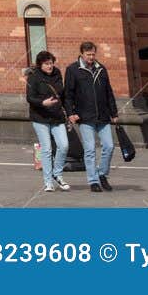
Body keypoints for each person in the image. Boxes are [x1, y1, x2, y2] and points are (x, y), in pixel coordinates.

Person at [63, 41, 120, 193]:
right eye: (88, 55)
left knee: (109, 146)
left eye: (93, 54)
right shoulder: (72, 70)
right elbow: (68, 95)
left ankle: (102, 174)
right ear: (81, 53)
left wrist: (114, 113)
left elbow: (109, 92)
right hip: (84, 116)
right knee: (89, 150)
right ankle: (93, 181)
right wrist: (70, 113)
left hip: (103, 115)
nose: (91, 57)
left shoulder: (101, 69)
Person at [26, 50, 70, 193]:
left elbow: (62, 94)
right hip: (40, 117)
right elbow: (30, 97)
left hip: (57, 116)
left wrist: (69, 113)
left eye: (51, 63)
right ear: (40, 65)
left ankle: (57, 174)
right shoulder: (33, 77)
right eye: (46, 64)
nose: (50, 66)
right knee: (47, 149)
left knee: (64, 146)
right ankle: (48, 182)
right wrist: (42, 103)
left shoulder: (57, 73)